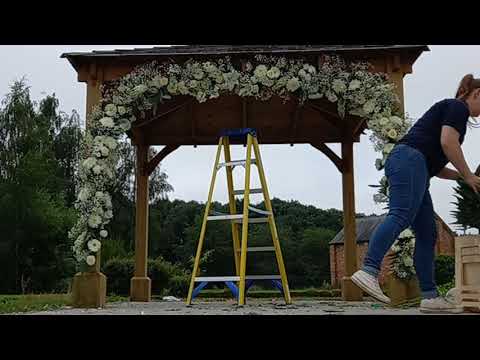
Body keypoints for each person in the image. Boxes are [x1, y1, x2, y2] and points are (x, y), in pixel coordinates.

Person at [352, 74, 480, 314]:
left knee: (427, 233)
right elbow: (448, 143)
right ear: (476, 94)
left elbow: (437, 166)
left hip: (416, 166)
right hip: (410, 161)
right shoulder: (457, 107)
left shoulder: (452, 111)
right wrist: (469, 174)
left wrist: (464, 177)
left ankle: (430, 296)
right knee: (400, 215)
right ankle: (369, 270)